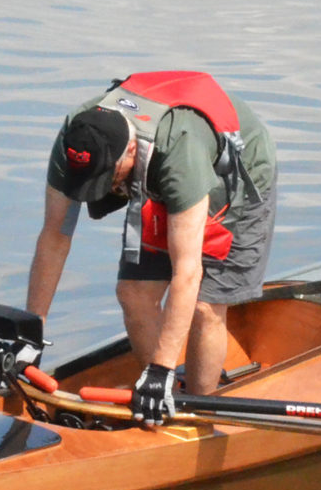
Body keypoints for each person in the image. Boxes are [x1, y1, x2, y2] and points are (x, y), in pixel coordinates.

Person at [26, 71, 279, 426]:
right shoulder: (76, 137)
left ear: (131, 150)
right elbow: (54, 236)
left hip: (234, 176)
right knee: (133, 294)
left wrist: (161, 367)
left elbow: (187, 273)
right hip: (160, 173)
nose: (102, 191)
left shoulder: (180, 156)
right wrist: (30, 334)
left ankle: (200, 413)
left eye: (108, 180)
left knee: (205, 307)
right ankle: (165, 398)